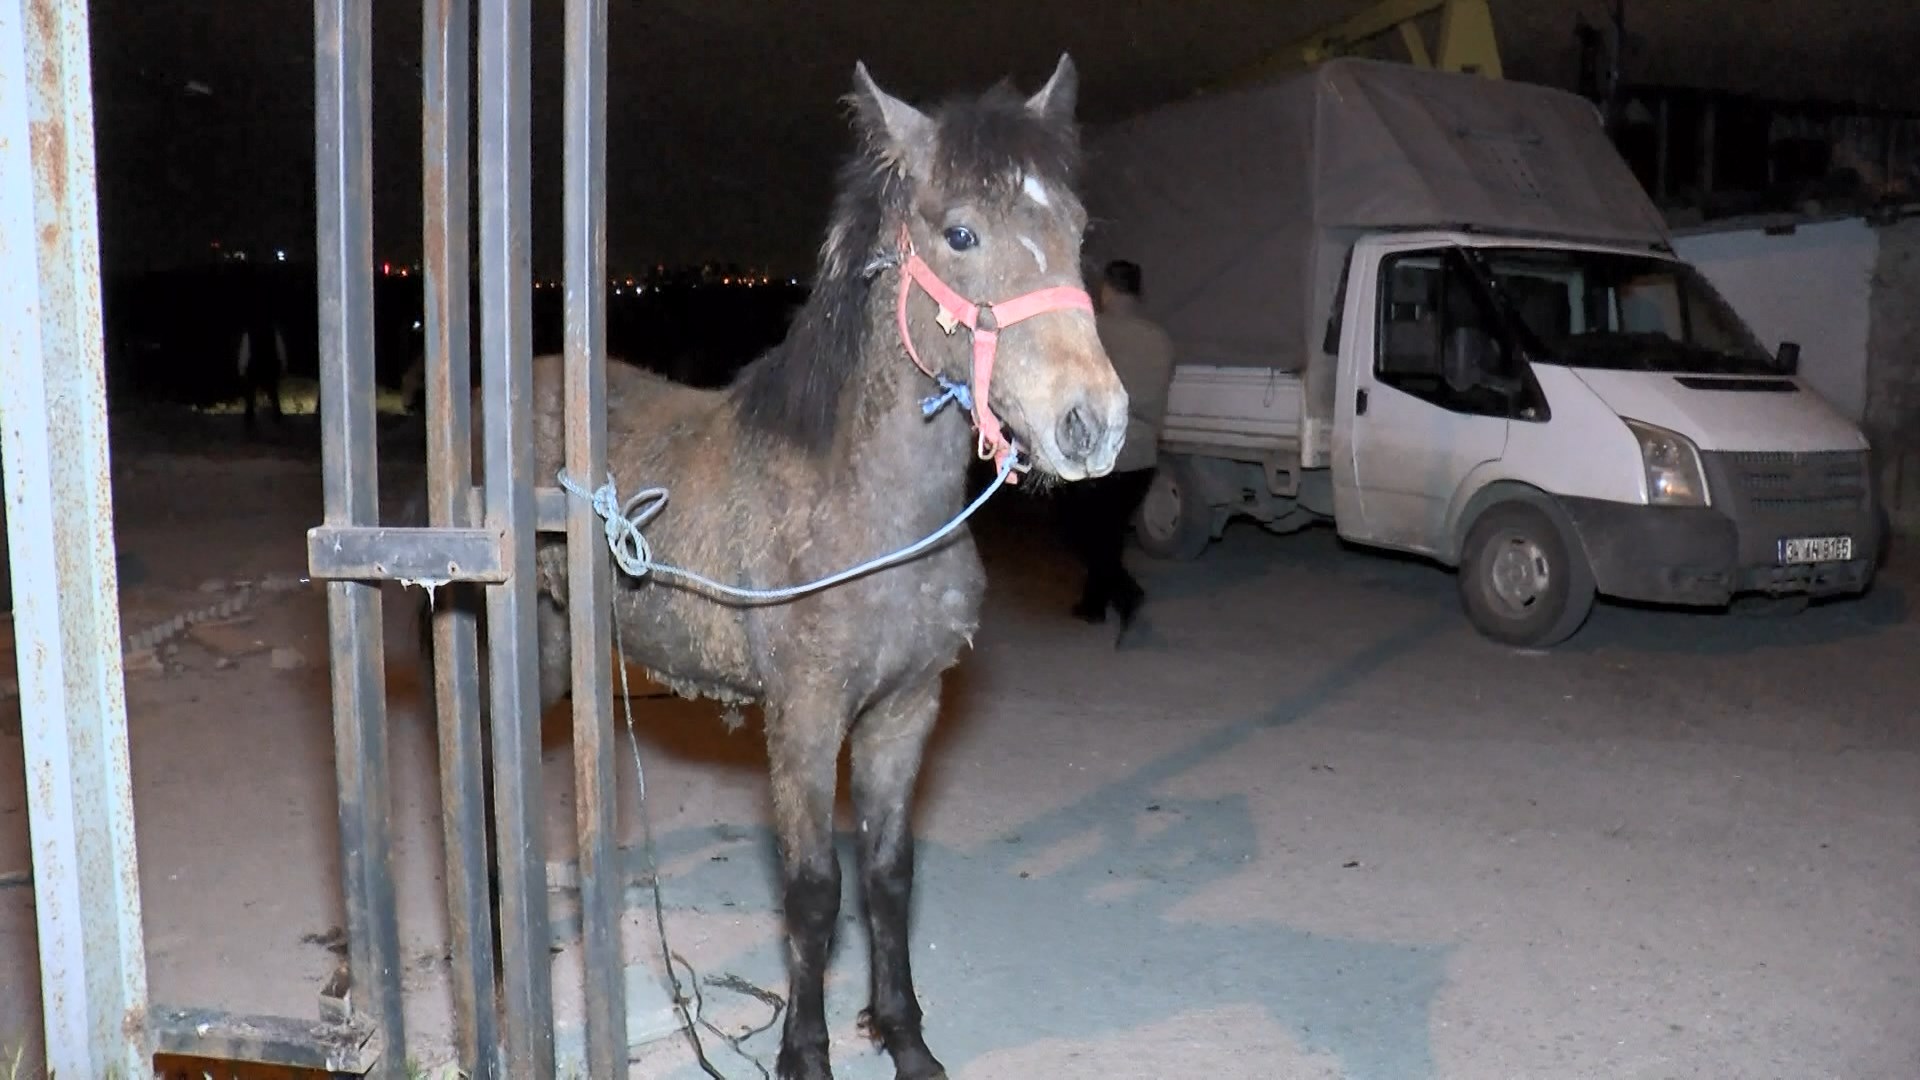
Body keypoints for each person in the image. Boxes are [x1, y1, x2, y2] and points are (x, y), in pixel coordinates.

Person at [1057, 259, 1175, 641]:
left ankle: (1127, 595)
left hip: (1098, 454)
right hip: (1142, 457)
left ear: (1106, 289)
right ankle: (1093, 605)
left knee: (1079, 532)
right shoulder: (1160, 339)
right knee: (1107, 533)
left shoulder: (1091, 332)